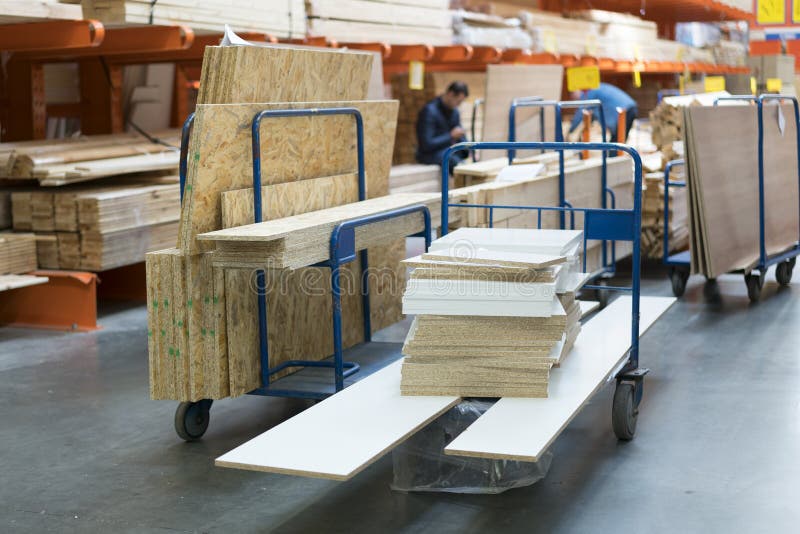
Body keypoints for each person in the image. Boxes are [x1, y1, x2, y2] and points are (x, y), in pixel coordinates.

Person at [416, 81, 470, 173]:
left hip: (446, 150)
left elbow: (460, 135)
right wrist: (451, 136)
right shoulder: (430, 111)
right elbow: (426, 144)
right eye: (458, 101)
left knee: (465, 153)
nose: (459, 105)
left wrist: (470, 149)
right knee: (454, 162)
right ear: (451, 94)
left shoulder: (454, 112)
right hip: (429, 153)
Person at [568, 83, 638, 143]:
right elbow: (591, 116)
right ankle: (614, 156)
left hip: (624, 111)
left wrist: (570, 131)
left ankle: (614, 157)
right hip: (628, 108)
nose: (577, 100)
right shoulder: (597, 90)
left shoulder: (590, 93)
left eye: (575, 98)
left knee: (617, 142)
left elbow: (580, 113)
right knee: (617, 140)